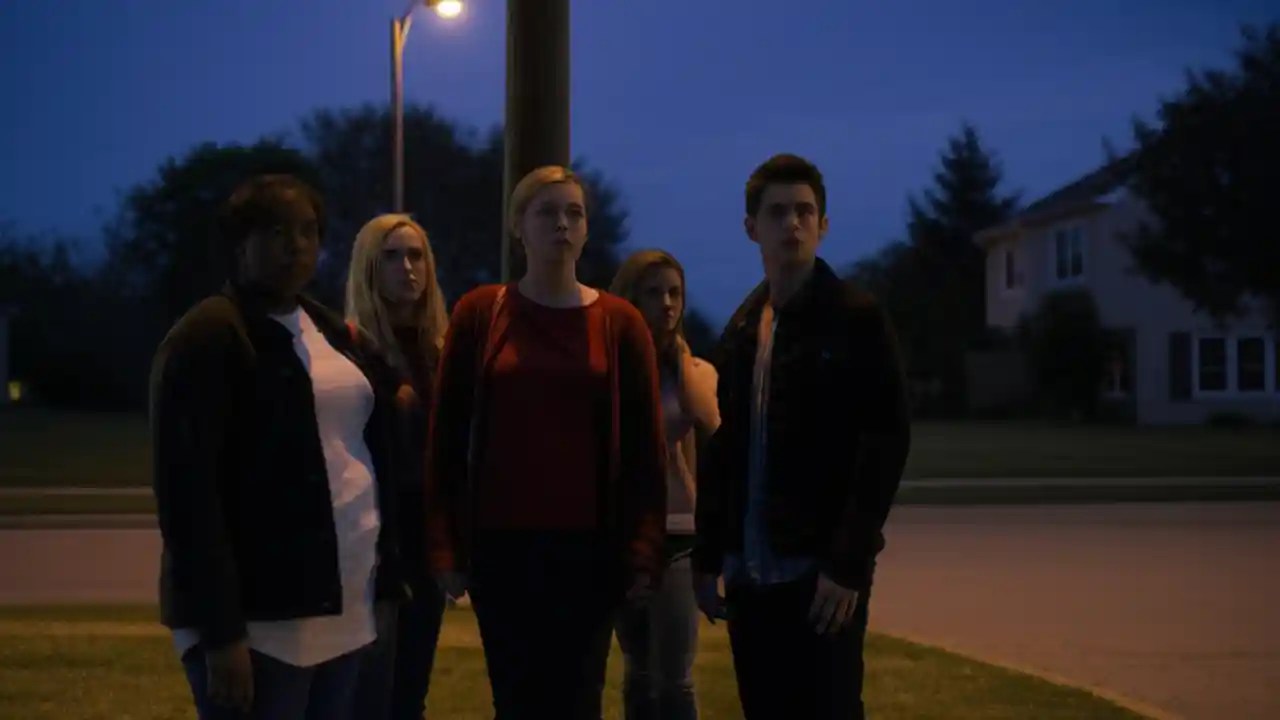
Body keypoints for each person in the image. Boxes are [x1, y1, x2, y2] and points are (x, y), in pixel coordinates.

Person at [149, 174, 406, 720]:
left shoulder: (326, 329)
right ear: (240, 243)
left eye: (309, 231)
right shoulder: (209, 336)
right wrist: (221, 635)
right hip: (263, 624)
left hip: (344, 610)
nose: (297, 245)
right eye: (277, 231)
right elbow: (189, 499)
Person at [424, 165, 667, 719]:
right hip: (501, 549)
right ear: (519, 228)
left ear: (586, 228)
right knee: (516, 698)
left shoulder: (619, 323)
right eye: (547, 212)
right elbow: (446, 438)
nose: (562, 223)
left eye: (574, 213)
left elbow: (645, 454)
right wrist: (445, 545)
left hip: (589, 551)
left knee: (578, 697)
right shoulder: (482, 314)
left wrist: (642, 551)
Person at [692, 154, 911, 719]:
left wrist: (848, 564)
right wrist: (709, 555)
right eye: (779, 211)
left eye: (805, 211)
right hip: (751, 574)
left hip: (820, 576)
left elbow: (885, 443)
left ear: (824, 225)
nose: (793, 222)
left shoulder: (856, 318)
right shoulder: (743, 327)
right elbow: (726, 447)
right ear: (752, 228)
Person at [346, 214, 450, 719]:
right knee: (370, 699)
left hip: (425, 546)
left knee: (410, 695)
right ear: (368, 269)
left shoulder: (442, 354)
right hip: (371, 548)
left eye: (416, 256)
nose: (407, 268)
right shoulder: (352, 354)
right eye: (391, 257)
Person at [609, 250, 720, 720]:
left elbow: (712, 430)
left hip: (677, 532)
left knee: (674, 679)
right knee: (639, 672)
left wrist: (685, 368)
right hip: (621, 532)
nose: (667, 303)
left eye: (675, 293)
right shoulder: (612, 366)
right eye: (653, 293)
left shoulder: (691, 371)